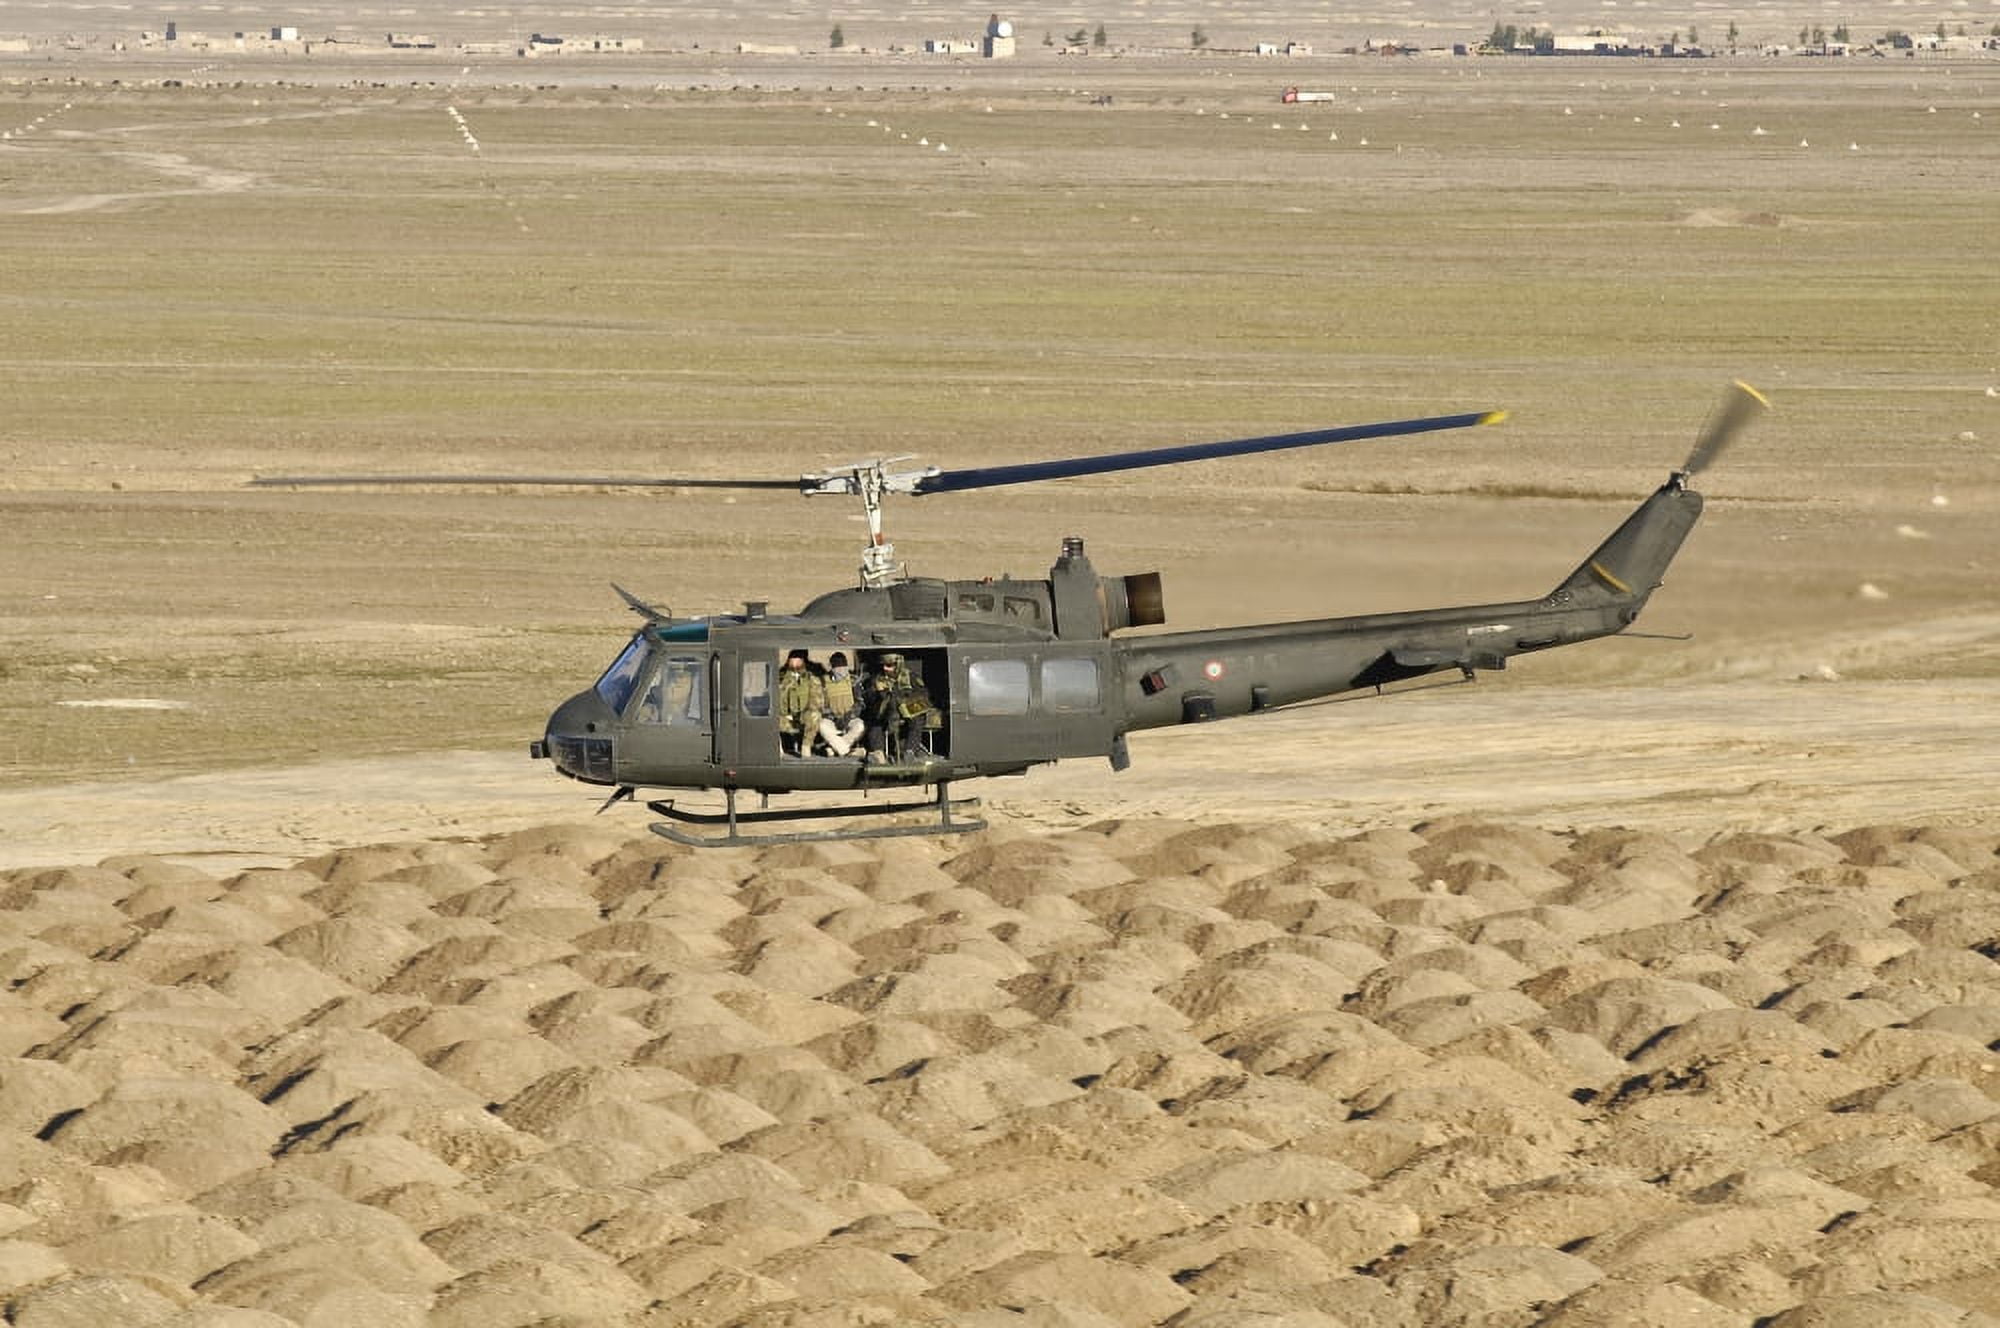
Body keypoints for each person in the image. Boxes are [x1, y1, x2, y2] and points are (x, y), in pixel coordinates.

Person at [863, 651, 934, 763]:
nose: (886, 669)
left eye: (889, 666)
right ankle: (878, 753)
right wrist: (879, 695)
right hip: (886, 713)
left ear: (898, 665)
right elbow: (869, 698)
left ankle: (910, 751)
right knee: (874, 720)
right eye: (884, 666)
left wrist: (905, 700)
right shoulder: (877, 679)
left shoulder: (910, 677)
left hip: (907, 711)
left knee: (918, 718)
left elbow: (924, 695)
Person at [816, 651, 867, 757]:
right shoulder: (823, 682)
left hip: (850, 719)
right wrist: (832, 716)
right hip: (831, 720)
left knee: (860, 726)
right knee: (821, 725)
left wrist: (850, 716)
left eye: (843, 665)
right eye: (837, 665)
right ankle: (846, 750)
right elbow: (820, 704)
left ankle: (834, 749)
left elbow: (860, 702)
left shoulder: (853, 681)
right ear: (832, 666)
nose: (840, 669)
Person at [775, 648, 824, 756]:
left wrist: (804, 714)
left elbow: (816, 701)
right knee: (769, 719)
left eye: (798, 658)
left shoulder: (811, 678)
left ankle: (806, 746)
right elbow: (773, 698)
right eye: (792, 658)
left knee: (814, 715)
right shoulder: (779, 677)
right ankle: (777, 749)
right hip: (785, 719)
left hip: (804, 719)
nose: (794, 661)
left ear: (803, 661)